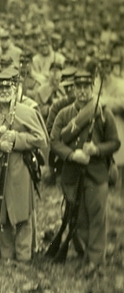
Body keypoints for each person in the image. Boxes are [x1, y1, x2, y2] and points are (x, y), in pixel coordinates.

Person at [0, 69, 48, 262]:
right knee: (1, 214)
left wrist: (17, 139)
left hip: (21, 170)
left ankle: (23, 257)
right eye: (0, 88)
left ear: (15, 89)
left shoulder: (27, 113)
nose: (4, 91)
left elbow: (41, 139)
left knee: (23, 215)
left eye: (8, 87)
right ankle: (6, 256)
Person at [50, 70, 120, 269]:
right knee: (78, 218)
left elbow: (115, 143)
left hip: (97, 173)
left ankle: (95, 261)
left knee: (97, 217)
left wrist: (96, 149)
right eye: (78, 87)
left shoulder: (104, 113)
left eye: (86, 87)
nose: (81, 92)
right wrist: (72, 155)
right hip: (72, 174)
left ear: (92, 89)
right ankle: (85, 255)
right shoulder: (65, 114)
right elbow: (54, 141)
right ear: (73, 89)